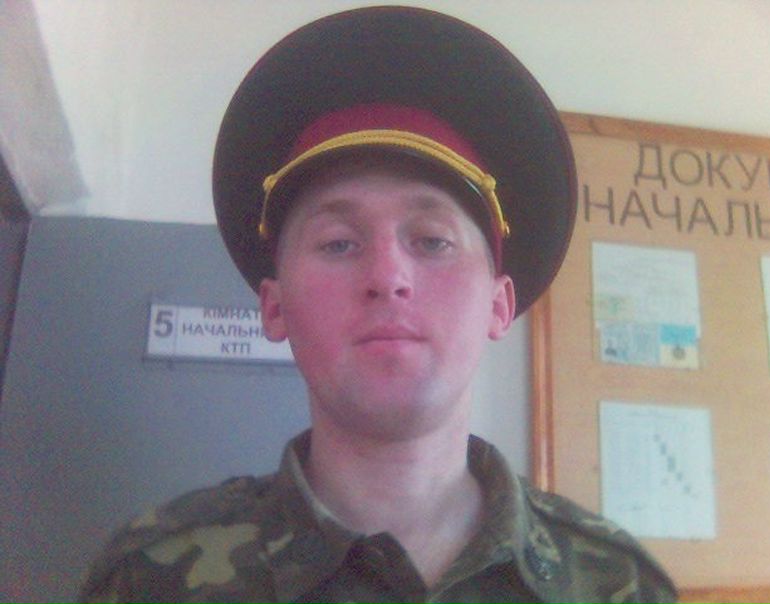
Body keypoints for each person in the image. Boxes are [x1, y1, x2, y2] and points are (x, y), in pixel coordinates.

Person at [78, 7, 677, 603]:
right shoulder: (150, 579)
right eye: (338, 243)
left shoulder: (616, 585)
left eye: (433, 241)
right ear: (276, 307)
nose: (388, 277)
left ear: (498, 305)